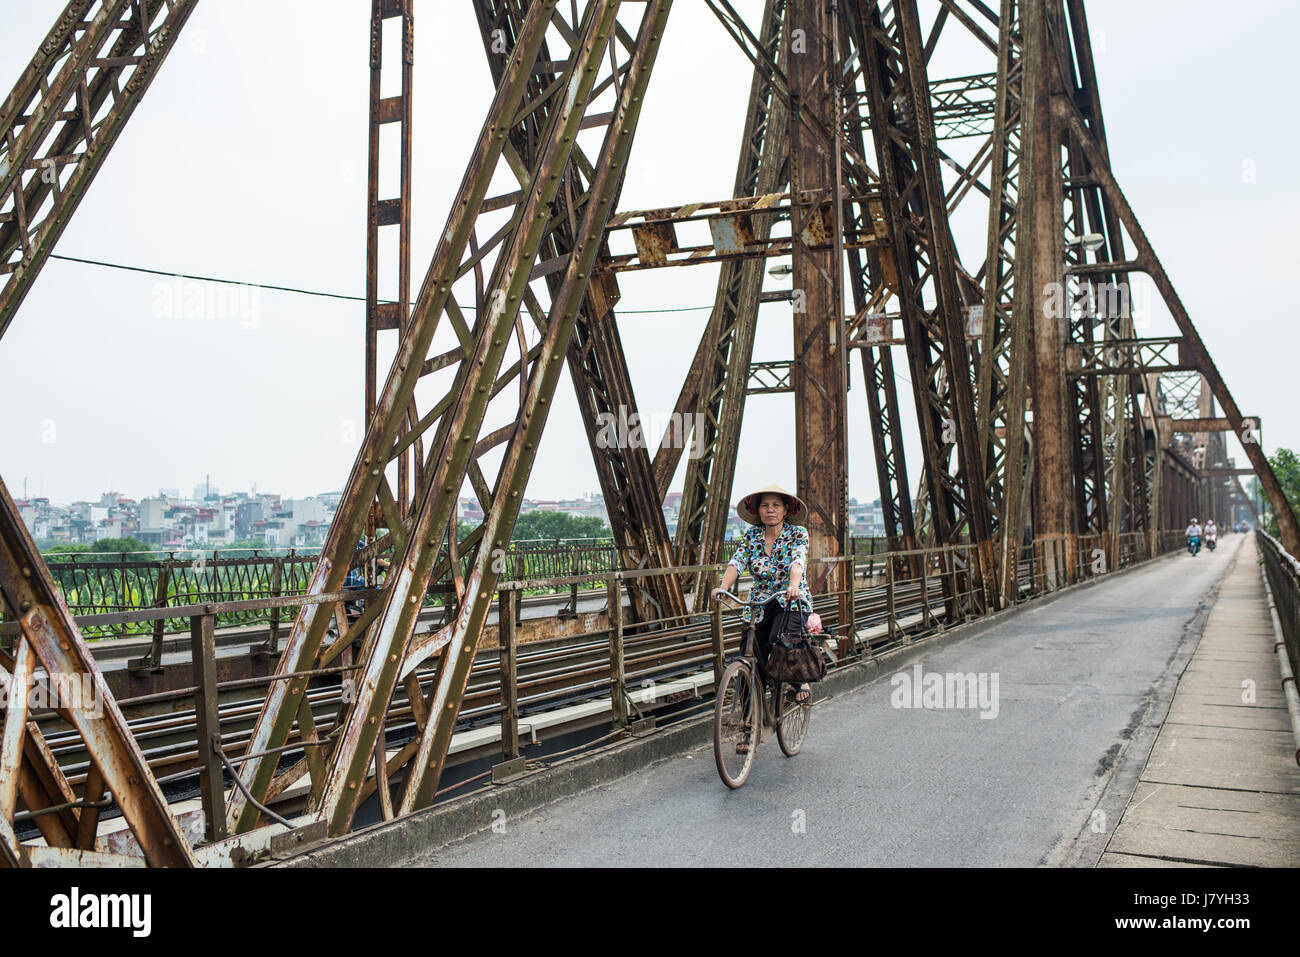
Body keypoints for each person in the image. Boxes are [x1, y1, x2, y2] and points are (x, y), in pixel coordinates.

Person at [711, 484, 815, 728]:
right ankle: (747, 722)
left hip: (789, 599)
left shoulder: (797, 533)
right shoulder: (751, 536)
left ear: (786, 510)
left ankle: (799, 681)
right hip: (759, 602)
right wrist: (723, 587)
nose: (770, 510)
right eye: (765, 505)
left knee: (779, 640)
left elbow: (798, 561)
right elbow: (736, 562)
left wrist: (794, 585)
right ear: (757, 511)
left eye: (776, 505)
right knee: (748, 656)